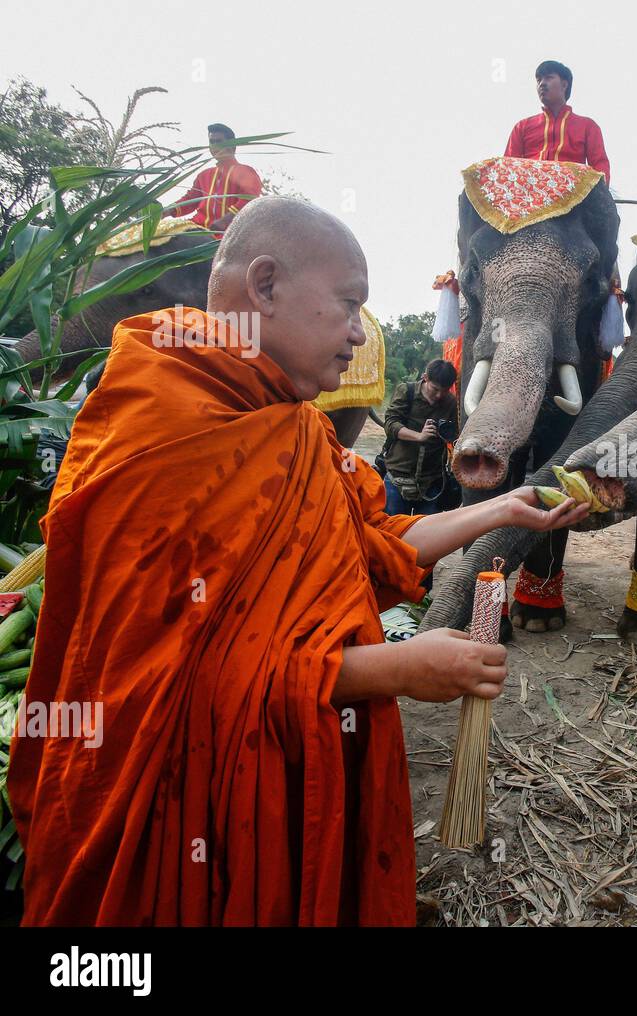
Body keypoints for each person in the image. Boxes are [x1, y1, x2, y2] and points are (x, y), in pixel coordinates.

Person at [8, 196, 588, 926]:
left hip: (275, 794)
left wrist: (503, 511)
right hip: (180, 820)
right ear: (264, 285)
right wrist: (395, 670)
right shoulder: (157, 432)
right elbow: (171, 690)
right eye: (349, 305)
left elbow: (374, 546)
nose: (356, 334)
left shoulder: (295, 432)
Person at [505, 60, 611, 184]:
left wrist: (599, 195)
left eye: (549, 78)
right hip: (529, 195)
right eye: (539, 80)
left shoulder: (588, 126)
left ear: (564, 85)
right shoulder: (522, 127)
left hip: (573, 195)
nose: (542, 84)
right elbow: (508, 167)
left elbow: (600, 166)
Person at [383, 359, 460, 515]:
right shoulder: (407, 391)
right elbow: (390, 424)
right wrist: (419, 436)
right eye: (435, 389)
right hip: (398, 476)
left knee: (428, 534)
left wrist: (448, 435)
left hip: (432, 481)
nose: (439, 395)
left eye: (445, 391)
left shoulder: (450, 402)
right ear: (425, 377)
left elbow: (454, 434)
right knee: (392, 533)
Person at [168, 123, 263, 233]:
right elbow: (190, 199)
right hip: (197, 228)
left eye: (219, 142)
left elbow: (249, 200)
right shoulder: (204, 175)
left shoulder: (246, 172)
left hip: (228, 234)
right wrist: (166, 211)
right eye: (212, 142)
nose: (215, 146)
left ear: (232, 146)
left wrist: (224, 221)